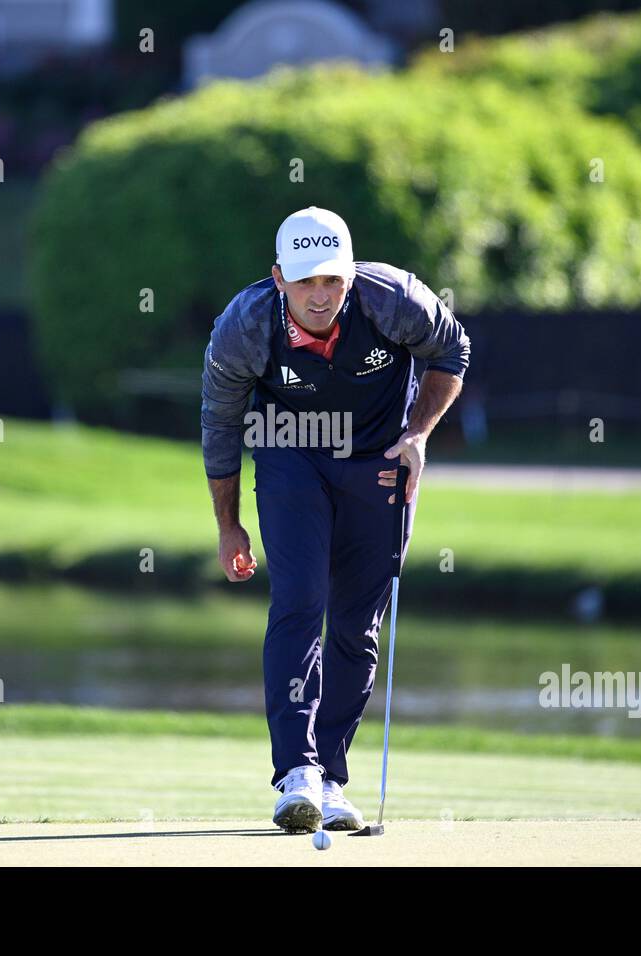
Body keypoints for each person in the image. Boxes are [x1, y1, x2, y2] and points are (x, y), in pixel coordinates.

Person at [200, 206, 470, 833]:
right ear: (277, 278)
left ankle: (331, 776)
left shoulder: (394, 300)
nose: (319, 296)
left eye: (332, 281)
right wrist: (228, 524)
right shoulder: (244, 327)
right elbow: (219, 424)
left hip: (376, 459)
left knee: (356, 623)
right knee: (299, 601)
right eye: (304, 282)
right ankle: (295, 772)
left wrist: (419, 434)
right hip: (289, 455)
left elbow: (451, 349)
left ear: (350, 275)